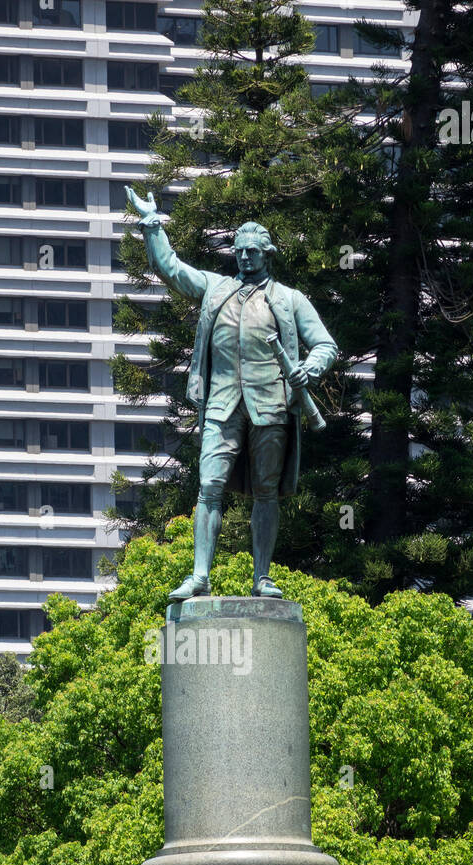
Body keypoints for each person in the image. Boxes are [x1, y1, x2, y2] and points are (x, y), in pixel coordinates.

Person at [125, 186, 339, 601]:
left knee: (266, 492)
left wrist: (310, 369)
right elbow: (172, 269)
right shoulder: (214, 289)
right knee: (209, 486)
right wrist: (153, 224)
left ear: (267, 254)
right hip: (222, 405)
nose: (244, 257)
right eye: (239, 251)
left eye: (253, 252)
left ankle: (262, 577)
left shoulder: (289, 299)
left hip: (271, 406)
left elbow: (326, 345)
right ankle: (200, 576)